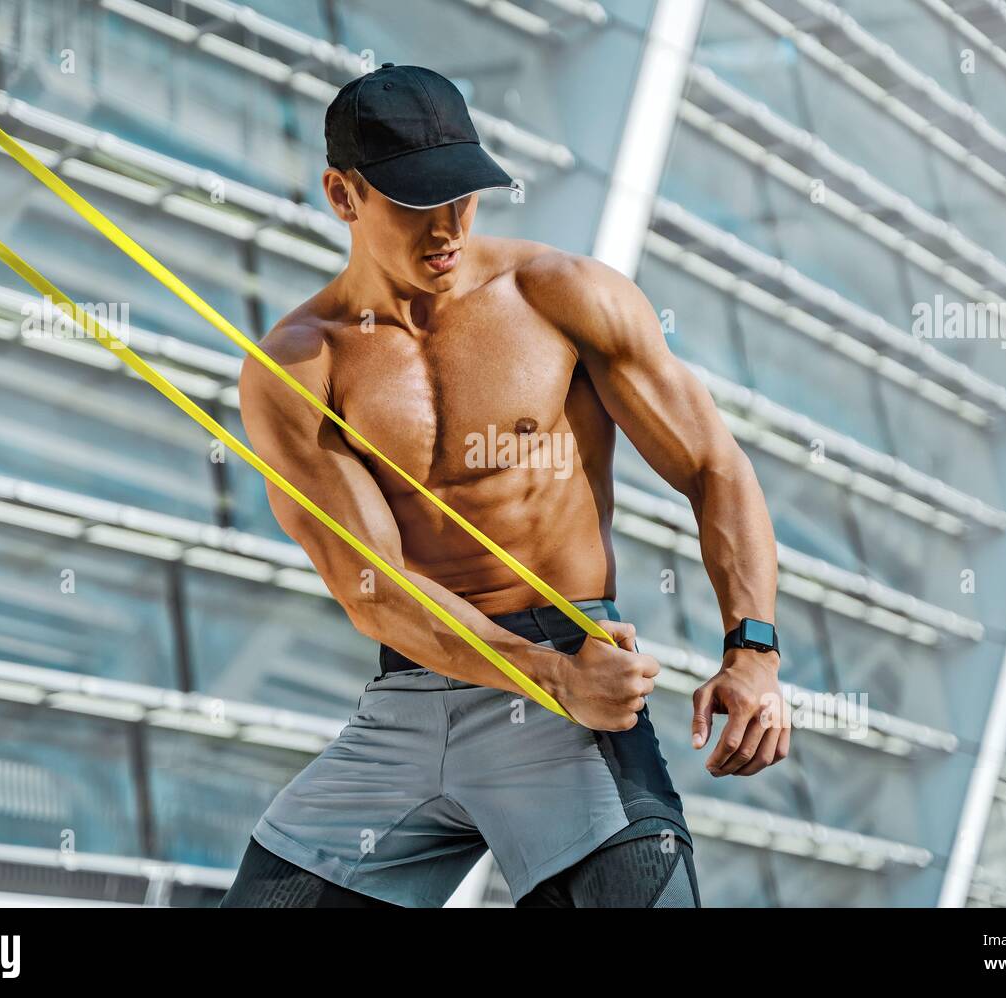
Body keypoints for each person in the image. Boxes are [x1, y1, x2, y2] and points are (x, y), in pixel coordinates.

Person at [220, 63, 787, 908]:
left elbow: (713, 467)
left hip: (568, 692)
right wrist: (546, 677)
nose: (447, 227)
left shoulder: (562, 295)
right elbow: (372, 584)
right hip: (413, 698)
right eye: (416, 203)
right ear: (343, 196)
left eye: (463, 195)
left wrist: (753, 652)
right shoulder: (300, 366)